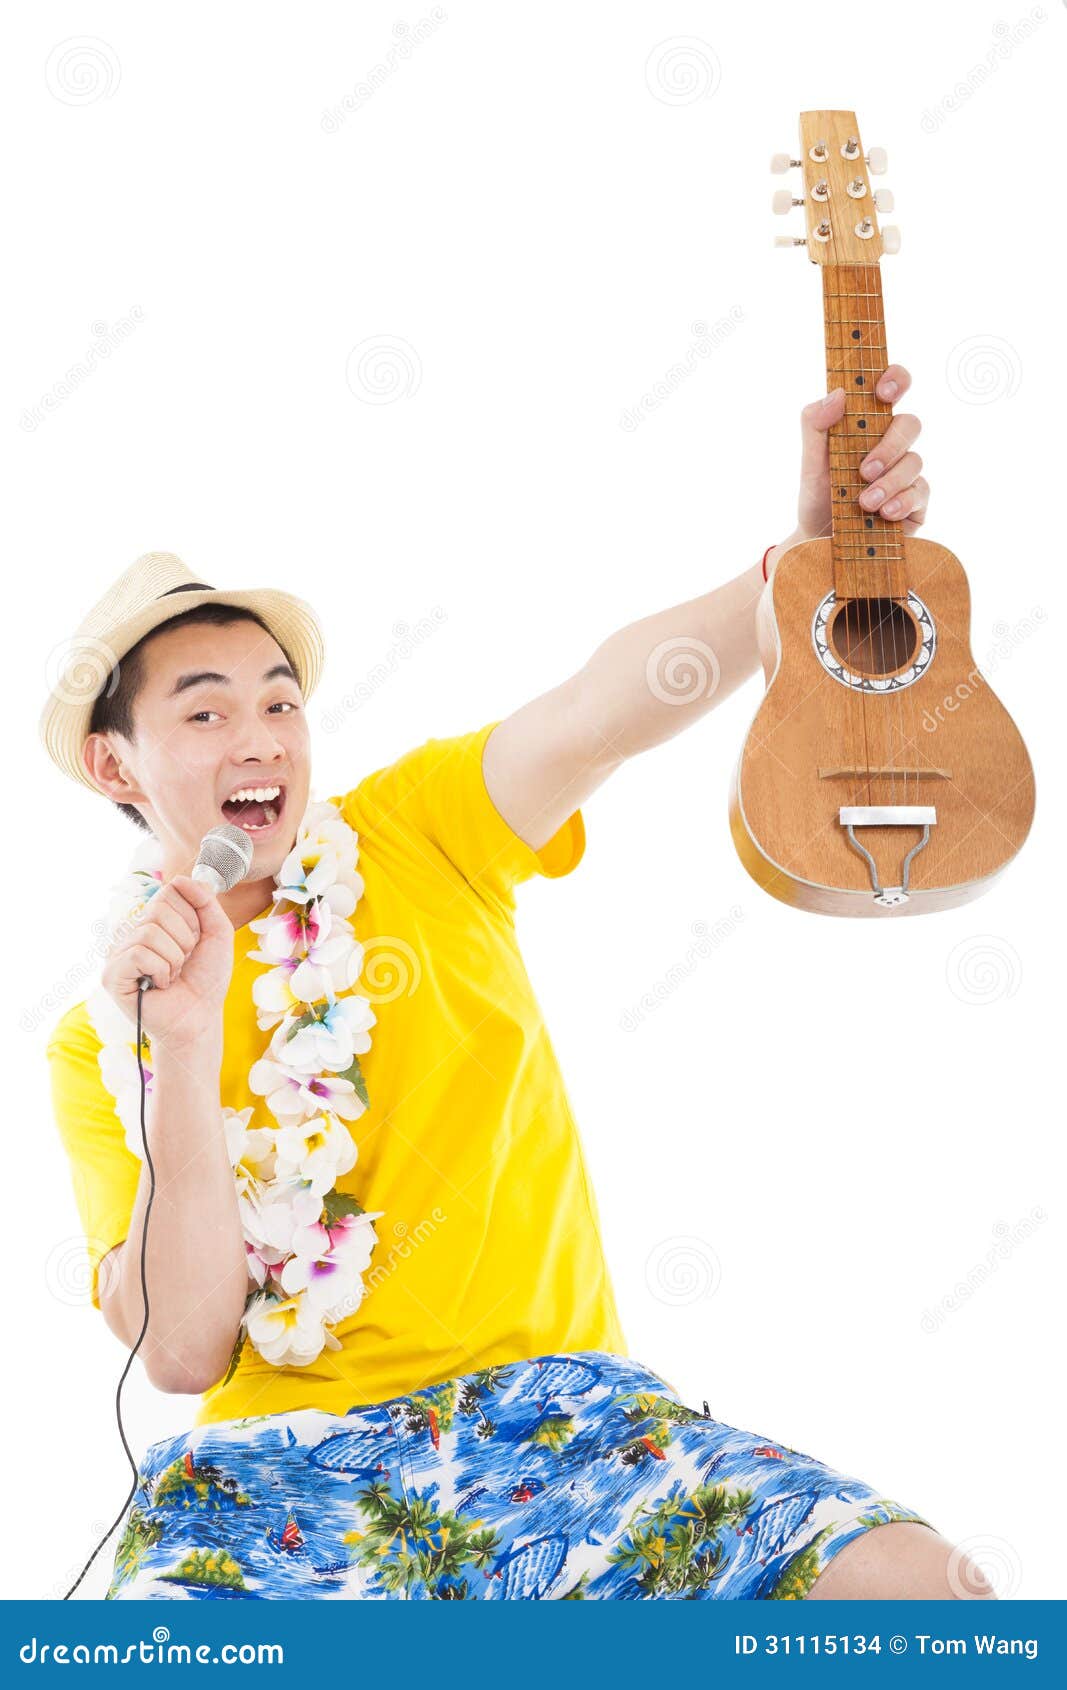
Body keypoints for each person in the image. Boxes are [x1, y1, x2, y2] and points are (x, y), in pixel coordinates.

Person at [43, 368, 992, 1601]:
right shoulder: (99, 1039)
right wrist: (174, 1044)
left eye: (279, 701)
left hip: (569, 1428)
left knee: (923, 1591)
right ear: (116, 760)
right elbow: (180, 1349)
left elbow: (600, 708)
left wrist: (787, 577)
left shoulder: (416, 831)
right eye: (206, 713)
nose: (261, 737)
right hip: (290, 1487)